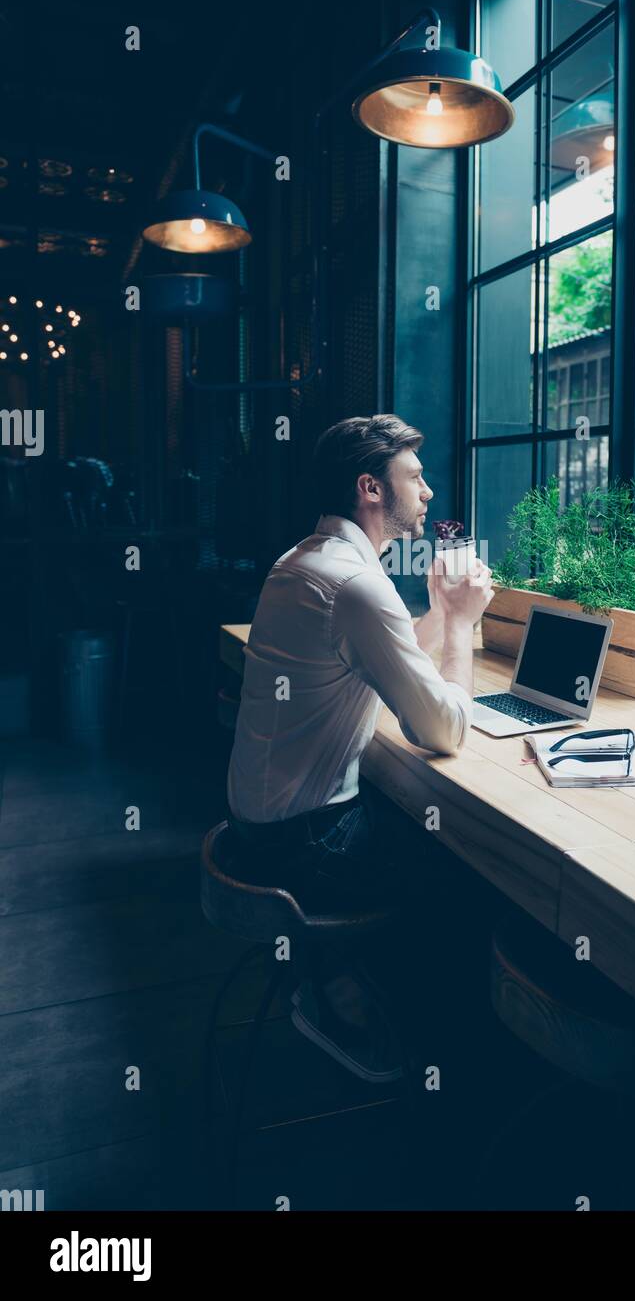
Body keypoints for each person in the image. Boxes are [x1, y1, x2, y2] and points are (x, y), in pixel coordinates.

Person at [226, 414, 493, 1081]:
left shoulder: (304, 561)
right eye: (414, 476)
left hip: (256, 830)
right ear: (371, 488)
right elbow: (443, 730)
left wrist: (434, 613)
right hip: (304, 848)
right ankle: (418, 1041)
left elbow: (380, 654)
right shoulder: (356, 585)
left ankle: (340, 975)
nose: (428, 491)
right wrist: (461, 624)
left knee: (426, 830)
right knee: (471, 873)